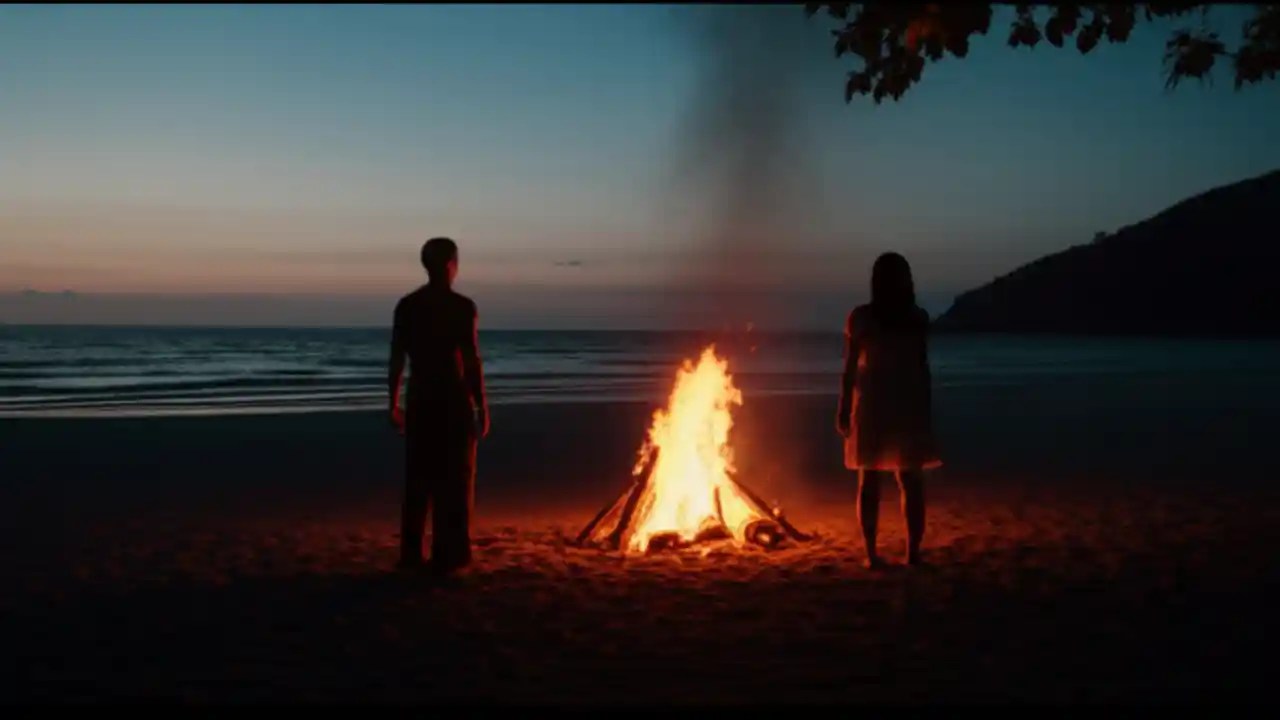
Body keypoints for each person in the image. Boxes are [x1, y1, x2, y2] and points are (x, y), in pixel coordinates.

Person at [388, 237, 490, 575]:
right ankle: (450, 555)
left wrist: (393, 402)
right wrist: (481, 406)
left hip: (420, 397)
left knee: (418, 479)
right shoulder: (461, 307)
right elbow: (471, 360)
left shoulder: (407, 306)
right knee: (456, 480)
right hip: (451, 398)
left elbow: (397, 358)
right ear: (450, 265)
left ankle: (411, 554)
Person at [836, 252, 941, 568]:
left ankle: (872, 554)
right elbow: (922, 368)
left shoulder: (862, 317)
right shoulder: (916, 317)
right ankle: (912, 553)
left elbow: (850, 368)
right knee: (910, 479)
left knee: (871, 480)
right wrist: (925, 406)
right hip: (906, 399)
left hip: (874, 401)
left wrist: (844, 406)